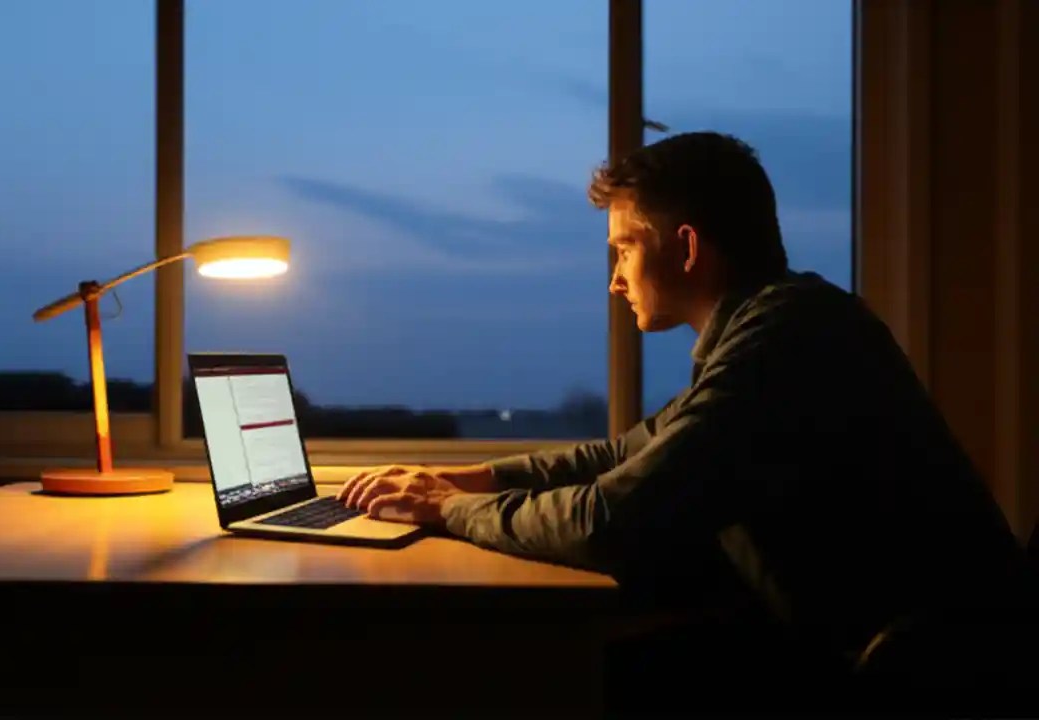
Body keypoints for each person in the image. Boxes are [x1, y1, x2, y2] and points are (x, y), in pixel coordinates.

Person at [337, 132, 1030, 678]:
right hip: (857, 641)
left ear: (687, 247)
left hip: (917, 673)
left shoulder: (789, 342)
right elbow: (617, 455)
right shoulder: (775, 325)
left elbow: (613, 518)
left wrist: (444, 509)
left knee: (548, 674)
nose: (614, 280)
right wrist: (466, 478)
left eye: (623, 251)